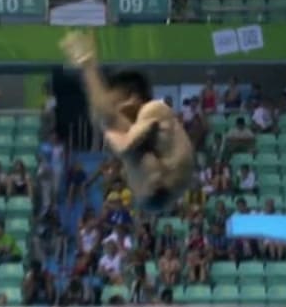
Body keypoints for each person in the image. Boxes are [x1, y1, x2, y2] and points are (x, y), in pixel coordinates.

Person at [59, 31, 194, 212]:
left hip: (162, 183)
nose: (116, 108)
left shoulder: (154, 109)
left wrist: (87, 65)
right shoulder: (147, 127)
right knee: (106, 120)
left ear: (132, 97)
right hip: (158, 188)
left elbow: (123, 144)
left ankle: (88, 63)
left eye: (116, 102)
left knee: (108, 121)